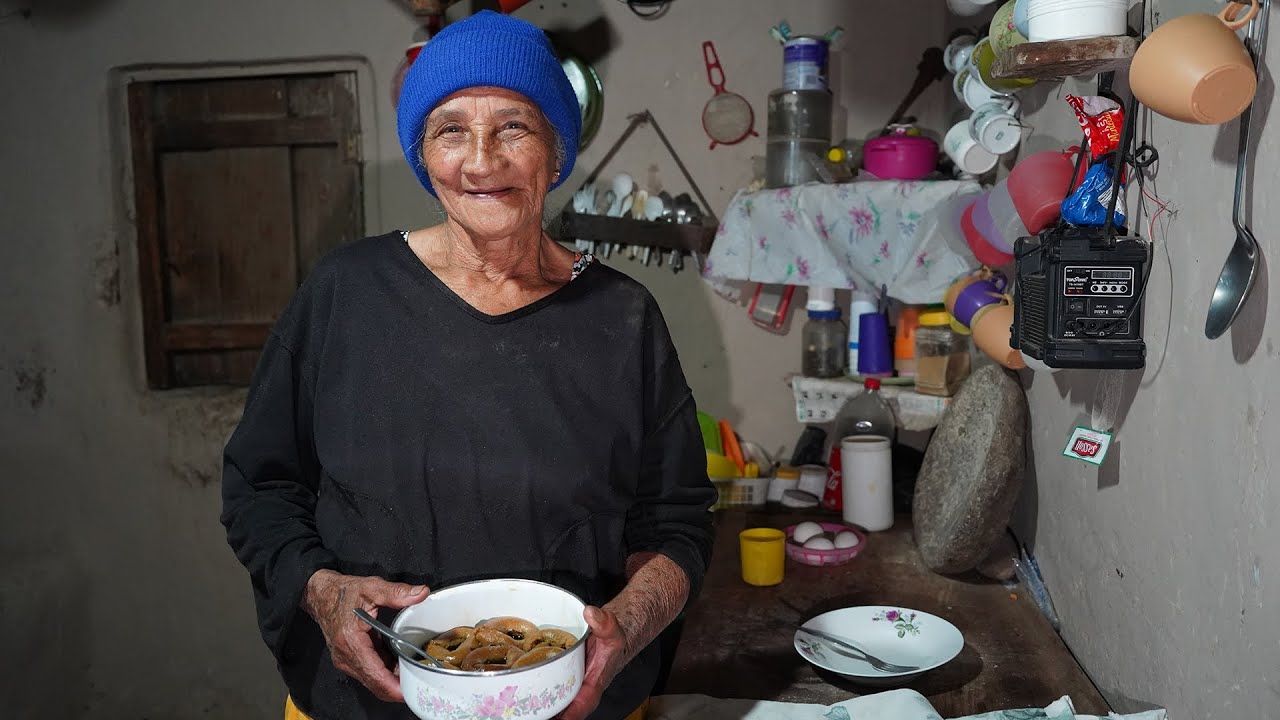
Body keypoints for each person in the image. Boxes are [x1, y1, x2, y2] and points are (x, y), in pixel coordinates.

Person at [220, 10, 717, 720]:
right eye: (451, 129)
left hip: (569, 699)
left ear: (555, 151)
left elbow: (677, 521)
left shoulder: (623, 318)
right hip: (366, 705)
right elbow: (258, 487)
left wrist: (627, 626)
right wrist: (321, 590)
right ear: (424, 154)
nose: (482, 160)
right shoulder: (346, 294)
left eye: (514, 126)